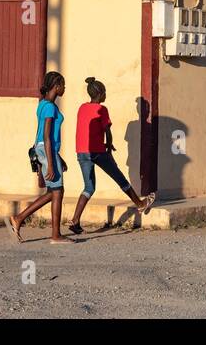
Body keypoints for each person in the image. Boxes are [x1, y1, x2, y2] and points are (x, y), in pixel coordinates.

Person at [67, 77, 156, 234]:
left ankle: (75, 220)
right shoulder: (102, 109)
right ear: (100, 94)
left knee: (89, 187)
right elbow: (107, 131)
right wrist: (108, 147)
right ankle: (140, 204)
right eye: (105, 92)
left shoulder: (82, 108)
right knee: (119, 177)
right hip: (97, 151)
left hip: (81, 151)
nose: (106, 95)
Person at [9, 72, 72, 244]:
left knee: (54, 191)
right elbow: (46, 136)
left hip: (44, 149)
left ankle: (19, 218)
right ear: (56, 86)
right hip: (46, 149)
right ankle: (55, 235)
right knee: (57, 191)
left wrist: (58, 159)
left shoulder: (43, 104)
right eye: (63, 85)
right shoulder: (50, 107)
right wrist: (51, 164)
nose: (64, 88)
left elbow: (43, 137)